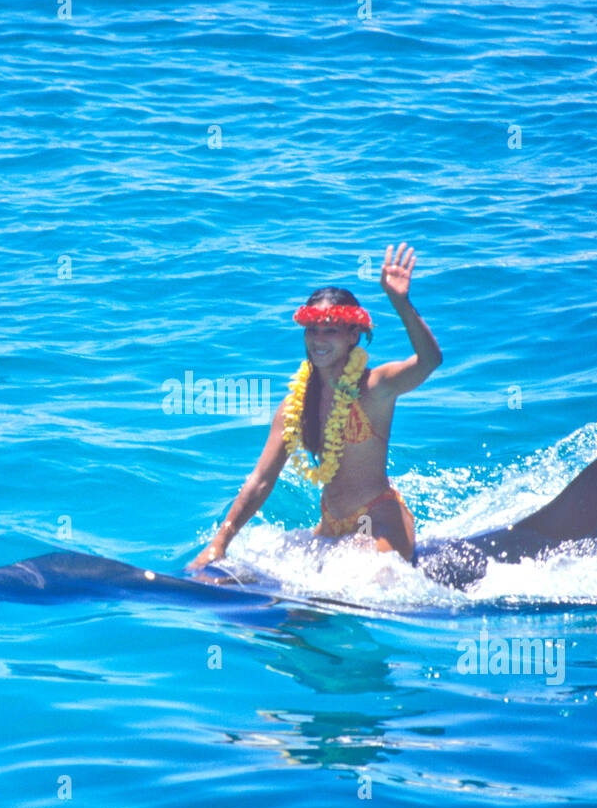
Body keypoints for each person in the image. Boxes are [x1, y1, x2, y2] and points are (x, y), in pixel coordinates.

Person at [189, 243, 442, 570]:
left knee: (360, 585)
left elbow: (429, 361)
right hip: (330, 524)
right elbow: (261, 480)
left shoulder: (375, 388)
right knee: (263, 571)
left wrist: (400, 303)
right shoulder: (294, 405)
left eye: (331, 331)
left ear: (352, 336)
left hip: (379, 519)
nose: (319, 340)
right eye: (312, 330)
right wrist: (218, 545)